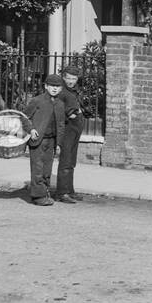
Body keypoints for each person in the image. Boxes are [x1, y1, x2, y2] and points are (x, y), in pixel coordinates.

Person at [24, 74, 66, 206]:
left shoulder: (60, 104)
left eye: (58, 86)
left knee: (47, 169)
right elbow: (24, 117)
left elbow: (61, 124)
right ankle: (38, 196)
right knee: (38, 168)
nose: (55, 89)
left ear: (61, 88)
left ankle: (45, 192)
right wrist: (31, 130)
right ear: (46, 86)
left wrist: (59, 143)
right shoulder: (37, 101)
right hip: (38, 140)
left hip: (52, 140)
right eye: (52, 86)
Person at [54, 64, 85, 203]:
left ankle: (70, 190)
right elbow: (57, 111)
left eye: (74, 78)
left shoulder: (73, 91)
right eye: (69, 78)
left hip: (75, 129)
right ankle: (62, 193)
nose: (71, 81)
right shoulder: (61, 92)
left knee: (71, 161)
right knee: (65, 160)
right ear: (64, 78)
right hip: (67, 129)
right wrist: (69, 115)